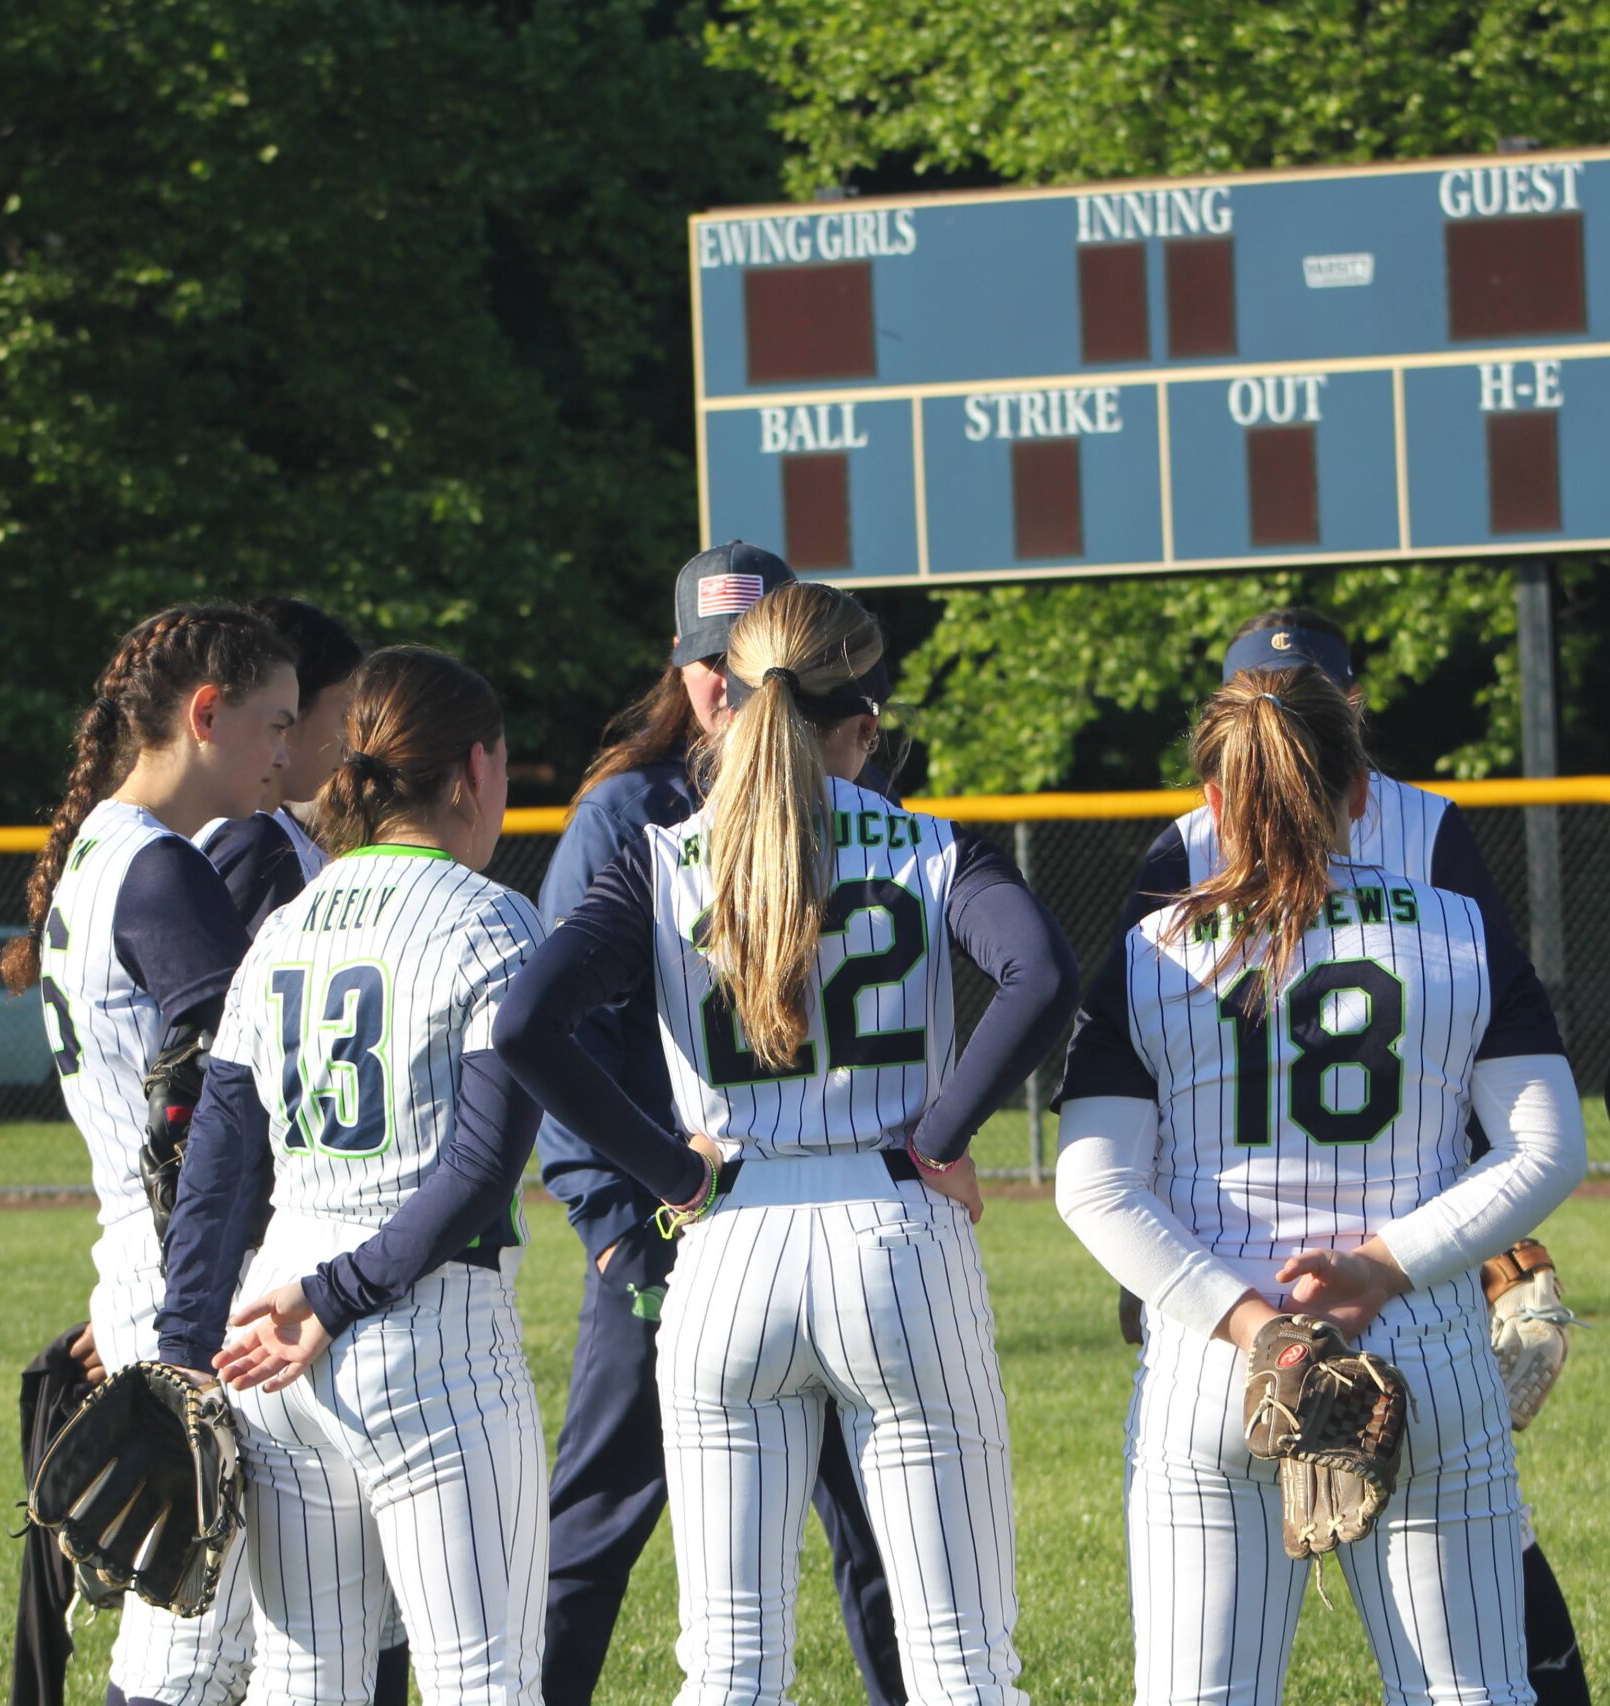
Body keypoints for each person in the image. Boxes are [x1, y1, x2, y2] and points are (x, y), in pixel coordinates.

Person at [497, 580, 1078, 1704]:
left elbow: (524, 1023)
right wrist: (945, 1132)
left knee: (726, 1668)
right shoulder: (928, 845)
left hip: (729, 1245)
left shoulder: (660, 856)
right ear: (862, 717)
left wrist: (669, 1170)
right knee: (961, 1662)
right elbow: (1041, 975)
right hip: (893, 1231)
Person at [1056, 661, 1587, 1704]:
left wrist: (1257, 1321)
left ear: (1213, 800)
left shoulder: (1147, 950)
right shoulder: (1460, 928)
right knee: (1471, 1689)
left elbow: (1094, 1186)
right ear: (1358, 791)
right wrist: (1384, 1264)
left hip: (1217, 1359)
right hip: (1419, 1343)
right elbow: (1545, 1148)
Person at [533, 542, 903, 1706]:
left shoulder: (851, 801)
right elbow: (558, 1035)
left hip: (829, 1218)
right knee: (598, 1517)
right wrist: (616, 1215)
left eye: (732, 662)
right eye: (701, 662)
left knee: (879, 1525)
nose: (716, 687)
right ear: (681, 665)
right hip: (664, 1225)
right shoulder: (630, 810)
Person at [150, 644, 550, 1706]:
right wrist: (339, 1297)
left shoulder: (283, 927)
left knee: (306, 1681)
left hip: (265, 1339)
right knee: (486, 1679)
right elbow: (475, 1170)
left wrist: (185, 1347)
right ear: (476, 767)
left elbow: (219, 1169)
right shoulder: (493, 918)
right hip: (422, 1330)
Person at [0, 604, 299, 1706]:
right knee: (193, 1651)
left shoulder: (104, 850)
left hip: (147, 1252)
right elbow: (224, 1095)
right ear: (204, 712)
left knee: (209, 1645)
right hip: (195, 1266)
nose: (285, 747)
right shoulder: (160, 867)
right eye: (272, 720)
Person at [196, 596, 367, 932]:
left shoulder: (271, 831)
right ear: (290, 707)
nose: (352, 739)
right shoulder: (253, 841)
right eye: (344, 713)